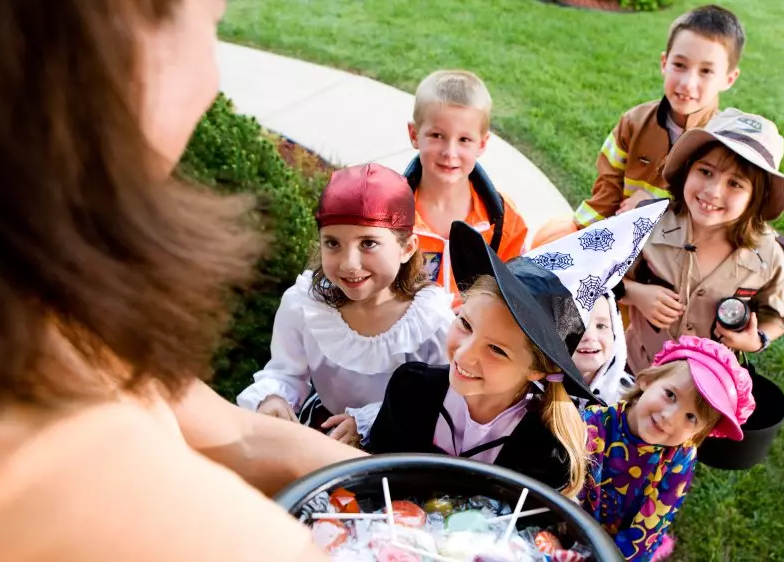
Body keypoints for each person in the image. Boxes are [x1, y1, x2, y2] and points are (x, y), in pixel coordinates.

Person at [0, 1, 363, 559]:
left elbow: (238, 434)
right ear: (117, 44)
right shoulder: (91, 485)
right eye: (211, 22)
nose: (212, 79)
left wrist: (406, 487)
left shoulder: (34, 291)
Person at [367, 202, 667, 498]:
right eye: (466, 324)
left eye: (497, 349)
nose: (466, 354)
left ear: (539, 368)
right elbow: (372, 484)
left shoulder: (547, 453)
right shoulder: (411, 390)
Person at [237, 163, 454, 445]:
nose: (349, 264)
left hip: (399, 447)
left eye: (368, 243)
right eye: (332, 243)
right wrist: (273, 397)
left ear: (406, 248)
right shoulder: (304, 304)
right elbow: (285, 371)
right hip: (324, 432)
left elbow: (443, 401)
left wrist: (372, 419)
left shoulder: (431, 320)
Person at [531, 4, 745, 247]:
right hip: (620, 234)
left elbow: (712, 214)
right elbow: (608, 185)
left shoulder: (722, 144)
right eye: (679, 65)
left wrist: (649, 207)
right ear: (664, 63)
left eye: (706, 71)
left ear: (728, 78)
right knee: (550, 242)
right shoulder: (633, 123)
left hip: (673, 253)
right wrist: (583, 235)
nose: (687, 83)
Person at [620, 109, 784, 372]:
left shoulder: (769, 254)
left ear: (757, 197)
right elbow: (597, 276)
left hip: (700, 390)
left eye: (735, 184)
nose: (712, 192)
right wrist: (636, 294)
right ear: (687, 168)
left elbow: (781, 314)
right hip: (633, 365)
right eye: (706, 172)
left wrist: (758, 339)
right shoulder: (647, 221)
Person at [580, 336, 755, 561]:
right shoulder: (593, 424)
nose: (669, 418)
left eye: (691, 417)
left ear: (699, 433)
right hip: (572, 525)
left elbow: (649, 528)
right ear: (648, 380)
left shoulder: (680, 458)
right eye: (670, 394)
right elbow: (565, 489)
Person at [402, 70, 529, 309]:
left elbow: (518, 290)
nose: (450, 152)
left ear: (482, 144)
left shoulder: (502, 221)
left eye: (464, 140)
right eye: (437, 135)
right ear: (414, 134)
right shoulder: (388, 215)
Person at [573, 289, 634, 406]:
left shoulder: (629, 398)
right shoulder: (530, 395)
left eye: (601, 326)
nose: (589, 336)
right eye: (576, 325)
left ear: (616, 334)